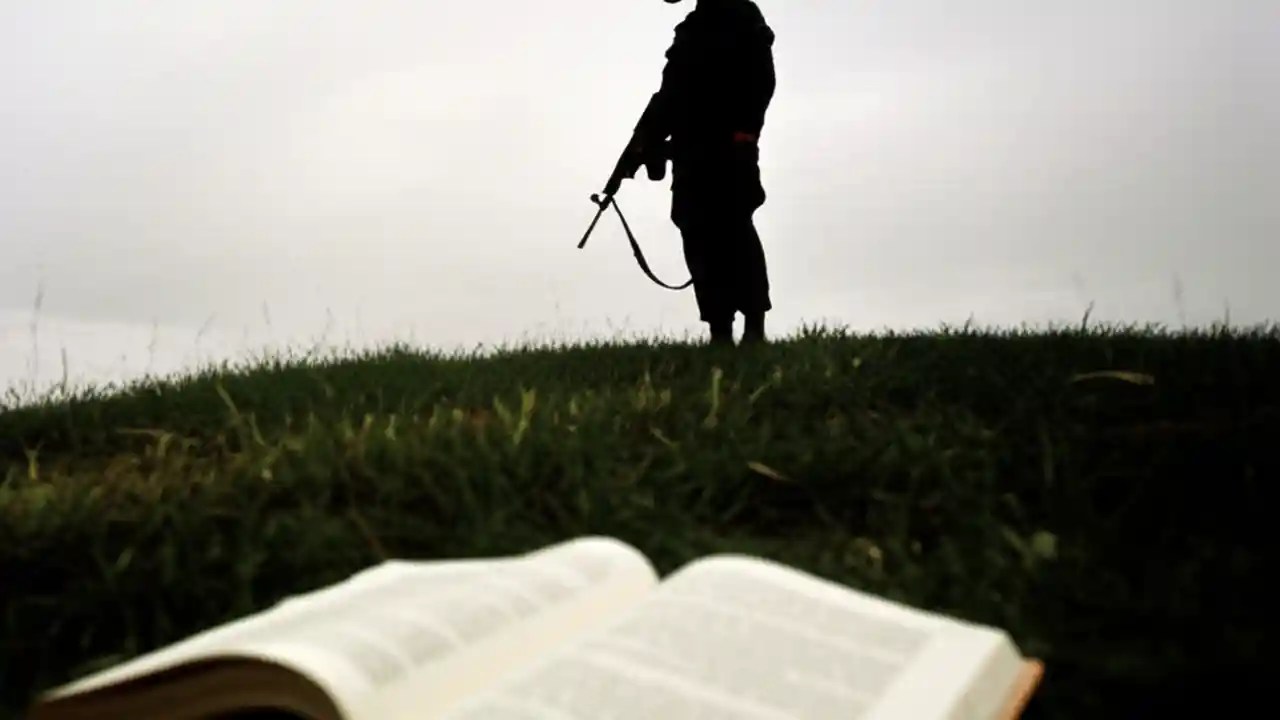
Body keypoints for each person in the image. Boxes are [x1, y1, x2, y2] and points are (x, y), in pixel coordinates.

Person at [628, 0, 777, 346]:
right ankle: (719, 329)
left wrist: (745, 131)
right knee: (697, 232)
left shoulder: (741, 14)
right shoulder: (690, 30)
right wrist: (643, 139)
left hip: (730, 146)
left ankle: (754, 326)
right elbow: (669, 95)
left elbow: (761, 78)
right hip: (690, 151)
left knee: (735, 229)